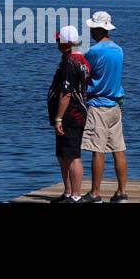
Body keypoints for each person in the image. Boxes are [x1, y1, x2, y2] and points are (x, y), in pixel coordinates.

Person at [82, 11, 127, 203]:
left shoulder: (94, 51)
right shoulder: (119, 50)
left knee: (97, 150)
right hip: (115, 105)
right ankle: (121, 192)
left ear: (99, 29)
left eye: (93, 28)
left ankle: (95, 193)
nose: (91, 31)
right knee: (118, 149)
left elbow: (85, 73)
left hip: (98, 105)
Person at [47, 25, 91, 203]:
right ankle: (68, 192)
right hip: (74, 113)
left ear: (65, 42)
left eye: (59, 40)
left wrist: (59, 118)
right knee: (63, 154)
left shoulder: (70, 62)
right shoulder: (81, 60)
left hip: (71, 114)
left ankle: (76, 195)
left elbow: (66, 93)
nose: (57, 43)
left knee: (73, 155)